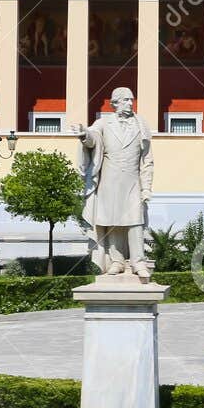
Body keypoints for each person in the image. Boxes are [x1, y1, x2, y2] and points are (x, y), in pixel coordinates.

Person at [75, 87, 154, 278]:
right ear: (115, 103)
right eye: (126, 100)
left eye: (131, 100)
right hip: (109, 181)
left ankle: (138, 262)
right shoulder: (103, 123)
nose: (130, 103)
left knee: (135, 221)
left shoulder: (141, 124)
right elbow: (92, 138)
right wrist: (84, 134)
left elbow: (147, 160)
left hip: (132, 180)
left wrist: (147, 188)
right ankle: (117, 261)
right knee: (113, 222)